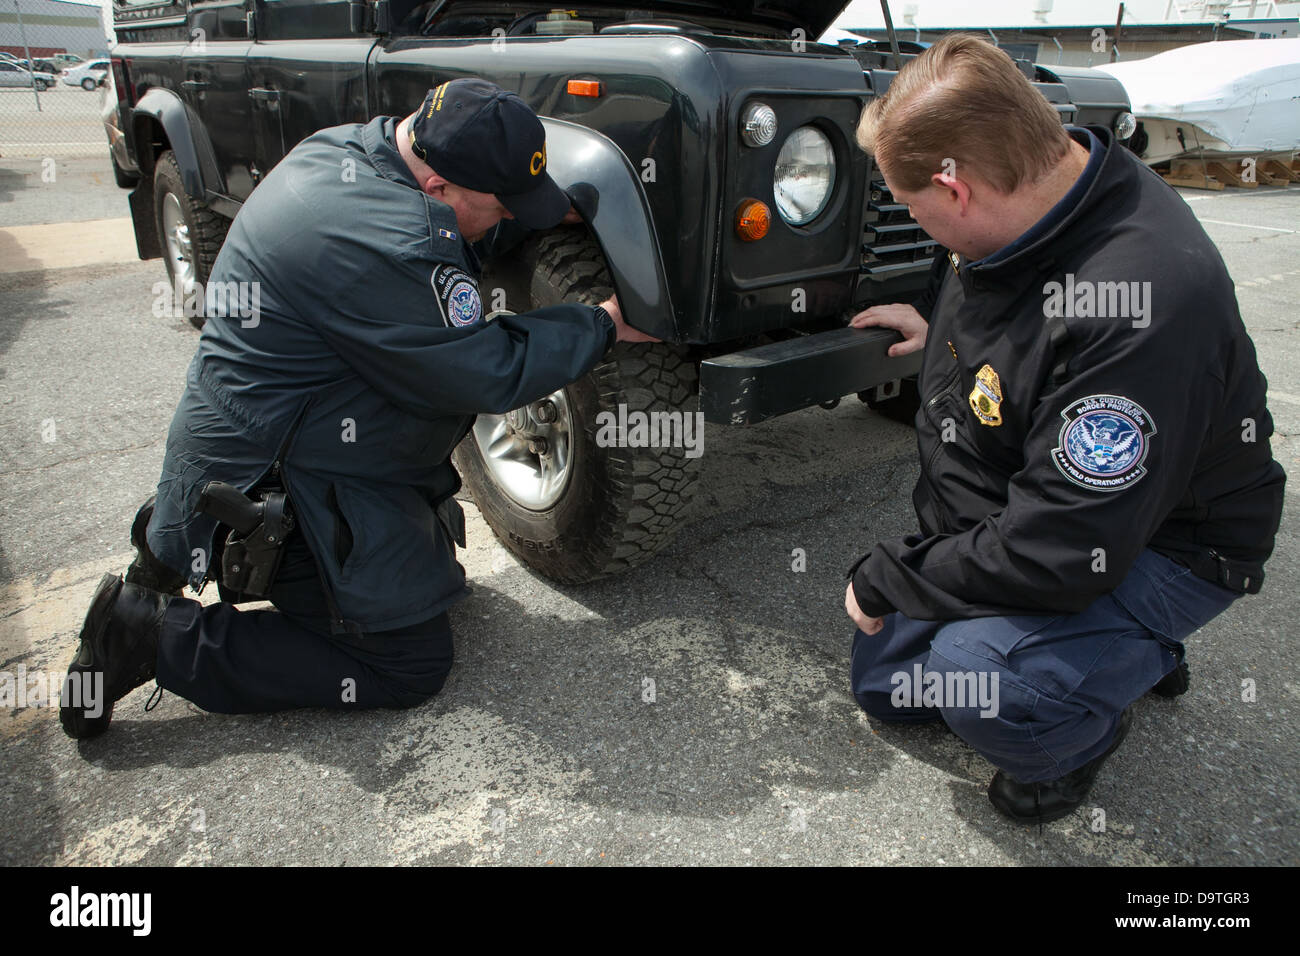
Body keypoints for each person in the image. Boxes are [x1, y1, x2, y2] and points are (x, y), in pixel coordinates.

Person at [61, 78, 654, 738]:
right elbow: (485, 371)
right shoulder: (388, 243)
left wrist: (535, 209)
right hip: (273, 489)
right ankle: (150, 636)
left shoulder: (349, 152)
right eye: (503, 204)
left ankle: (163, 559)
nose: (511, 216)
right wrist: (598, 324)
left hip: (251, 440)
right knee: (408, 663)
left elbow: (452, 239)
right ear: (438, 189)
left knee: (422, 576)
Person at [843, 36, 1285, 823]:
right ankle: (1115, 654)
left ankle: (1086, 721)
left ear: (957, 185)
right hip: (1081, 514)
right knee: (886, 682)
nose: (917, 224)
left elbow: (1060, 548)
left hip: (1169, 541)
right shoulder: (1043, 184)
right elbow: (1011, 309)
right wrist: (941, 326)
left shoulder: (1138, 301)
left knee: (976, 681)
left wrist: (889, 575)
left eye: (914, 208)